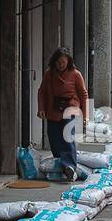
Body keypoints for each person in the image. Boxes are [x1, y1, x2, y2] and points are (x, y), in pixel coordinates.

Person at [36, 46, 88, 181]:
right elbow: (41, 91)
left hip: (71, 109)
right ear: (54, 62)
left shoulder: (76, 74)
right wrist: (41, 108)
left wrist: (85, 115)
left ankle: (70, 166)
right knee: (53, 138)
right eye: (58, 62)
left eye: (63, 62)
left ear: (68, 62)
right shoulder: (49, 74)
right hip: (53, 109)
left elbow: (83, 94)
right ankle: (61, 163)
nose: (61, 65)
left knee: (67, 137)